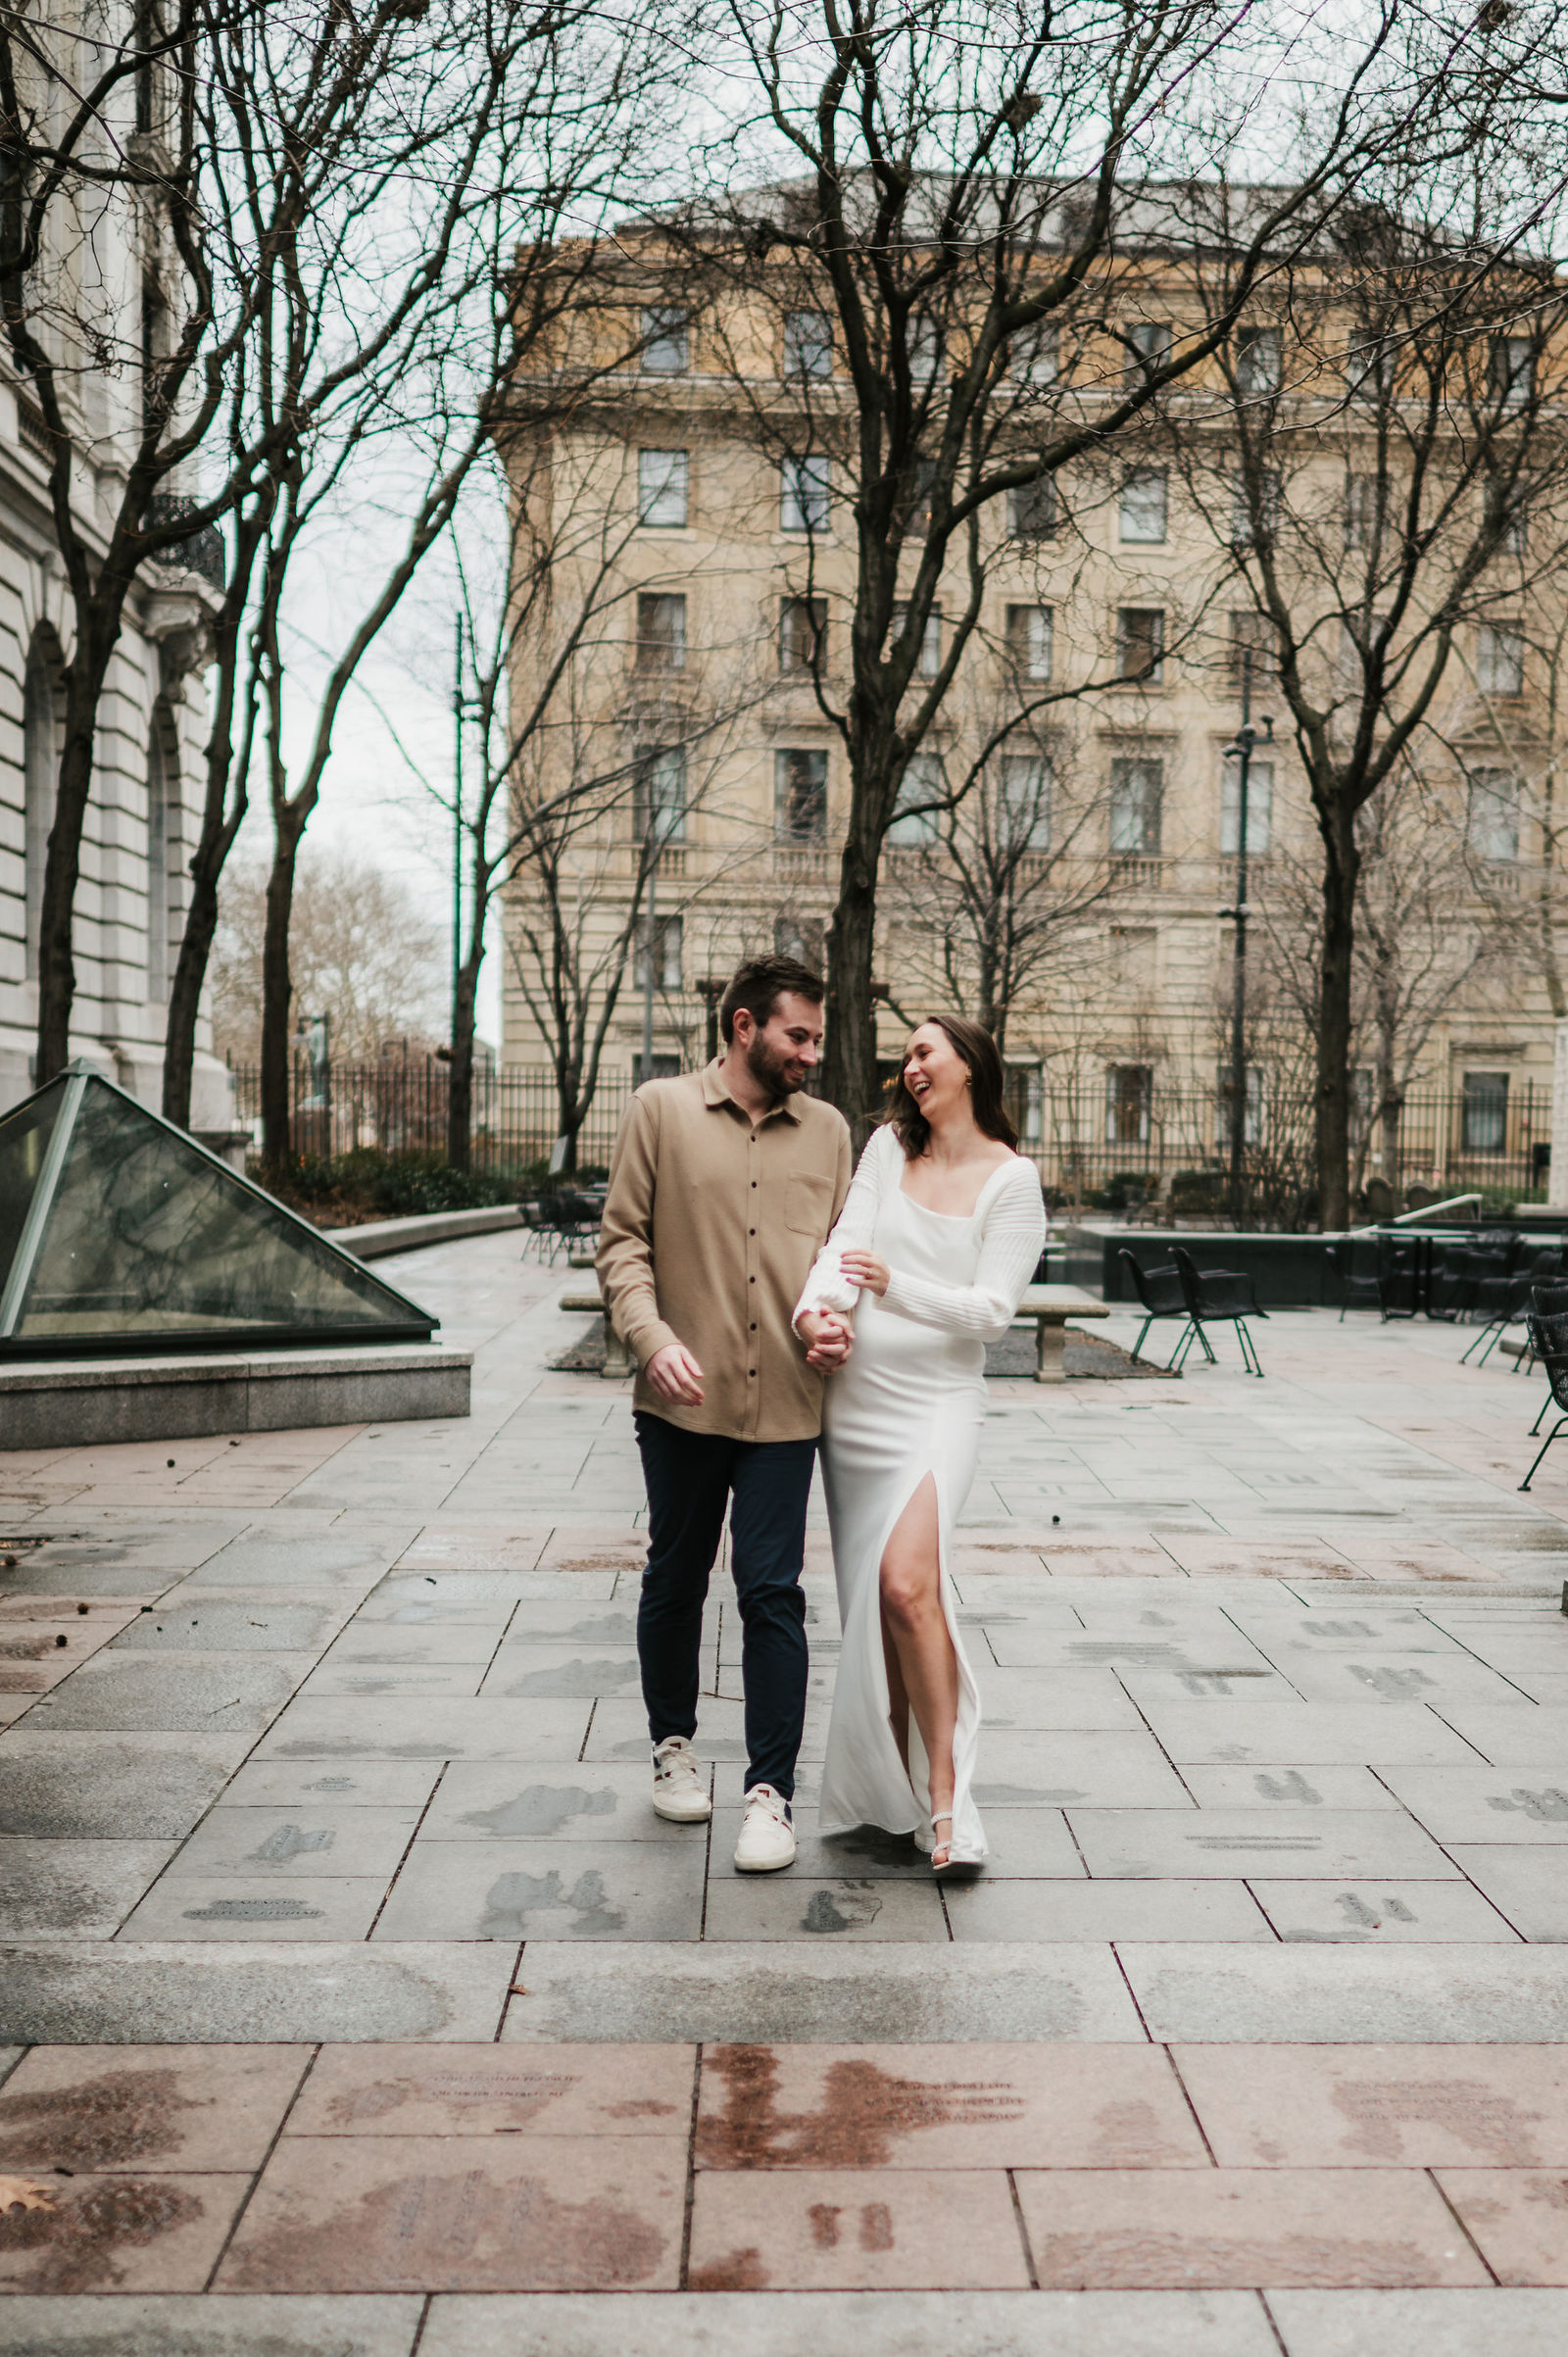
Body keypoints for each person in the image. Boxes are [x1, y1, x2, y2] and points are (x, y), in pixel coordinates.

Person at [597, 957, 852, 1873]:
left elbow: (835, 1260)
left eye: (817, 1037)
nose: (811, 1054)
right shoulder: (659, 1111)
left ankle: (770, 1794)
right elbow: (621, 1243)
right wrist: (650, 1334)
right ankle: (672, 1747)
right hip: (680, 1403)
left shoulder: (828, 1131)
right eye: (798, 1034)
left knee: (772, 1592)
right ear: (744, 1026)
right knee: (677, 1573)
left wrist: (834, 1325)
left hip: (787, 1403)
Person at [794, 1016, 1046, 1872]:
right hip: (857, 1404)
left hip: (939, 1401)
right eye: (905, 1055)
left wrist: (896, 1287)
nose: (910, 1066)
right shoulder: (883, 1150)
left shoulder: (1013, 1181)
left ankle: (947, 1801)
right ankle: (897, 1797)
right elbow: (843, 1249)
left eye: (925, 1051)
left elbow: (991, 1313)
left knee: (908, 1585)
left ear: (970, 1065)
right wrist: (814, 1312)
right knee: (880, 1605)